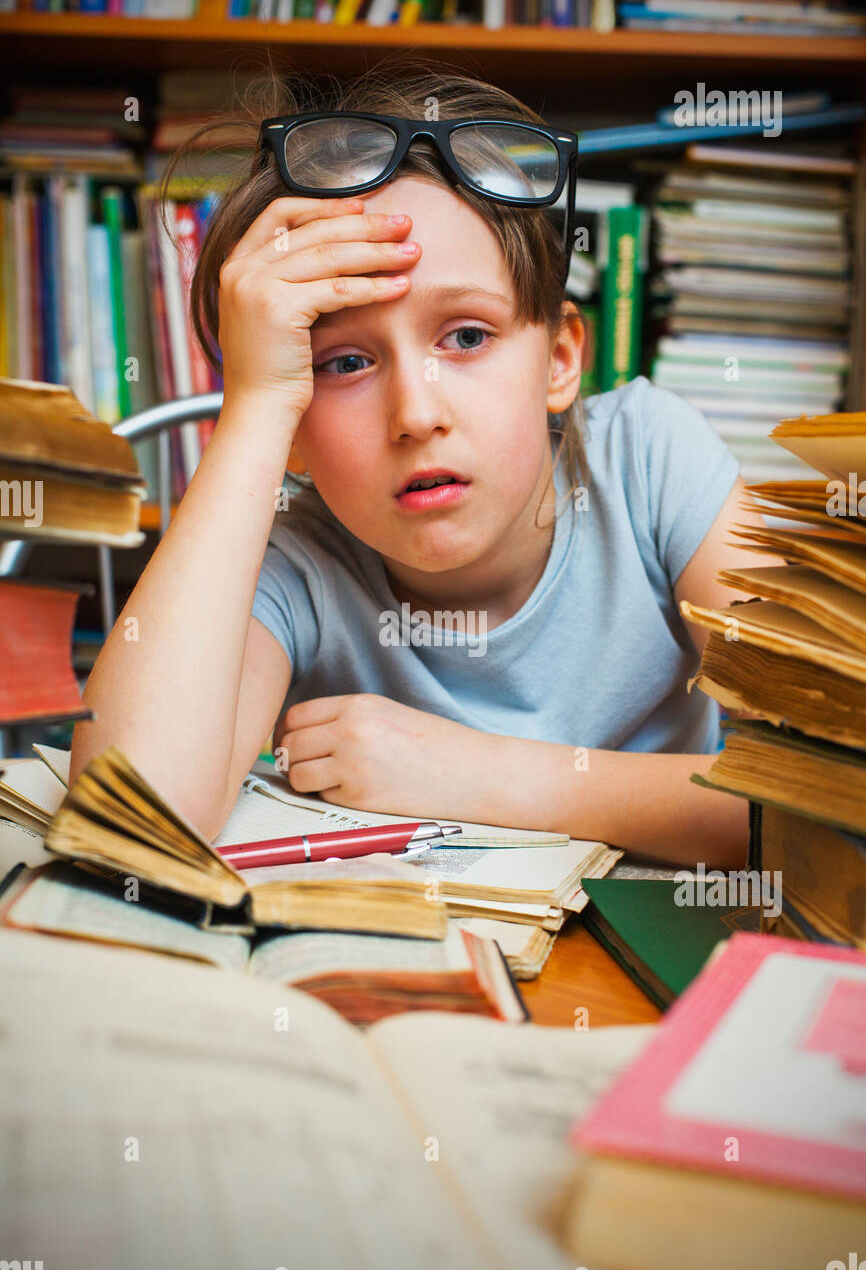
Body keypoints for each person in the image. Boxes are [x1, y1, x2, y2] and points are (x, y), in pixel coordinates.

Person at [70, 60, 769, 867]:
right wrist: (255, 405)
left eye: (466, 337)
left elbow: (832, 793)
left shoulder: (652, 463)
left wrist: (481, 776)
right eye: (343, 363)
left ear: (560, 359)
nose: (416, 414)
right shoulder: (294, 560)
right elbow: (129, 824)